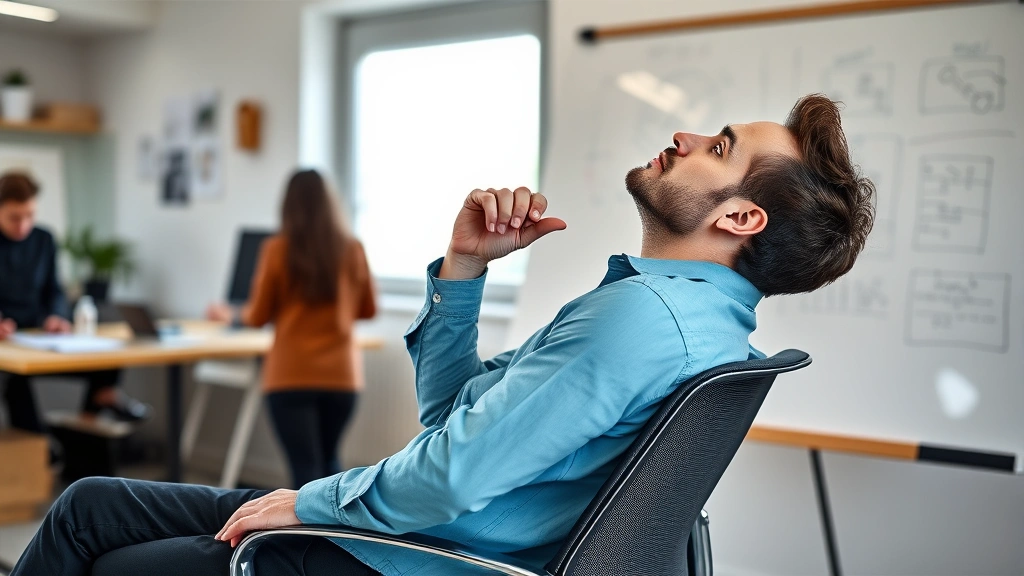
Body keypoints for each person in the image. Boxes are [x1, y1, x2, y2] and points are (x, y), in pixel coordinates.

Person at [11, 94, 875, 576]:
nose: (686, 134)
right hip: (425, 536)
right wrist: (465, 269)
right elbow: (453, 418)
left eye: (718, 144)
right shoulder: (683, 318)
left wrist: (306, 503)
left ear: (740, 213)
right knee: (94, 503)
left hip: (406, 559)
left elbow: (453, 473)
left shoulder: (640, 320)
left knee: (103, 543)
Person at [207, 169, 378, 489]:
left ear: (288, 205)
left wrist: (229, 315)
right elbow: (368, 310)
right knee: (330, 465)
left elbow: (257, 316)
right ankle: (336, 539)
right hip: (342, 378)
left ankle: (305, 539)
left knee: (304, 469)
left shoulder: (277, 249)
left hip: (291, 376)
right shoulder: (352, 248)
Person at [0, 172, 149, 437]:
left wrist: (58, 316)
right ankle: (42, 452)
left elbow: (55, 290)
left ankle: (83, 443)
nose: (23, 225)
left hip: (39, 337)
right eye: (15, 217)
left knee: (106, 363)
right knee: (14, 382)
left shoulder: (43, 239)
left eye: (29, 216)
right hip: (7, 345)